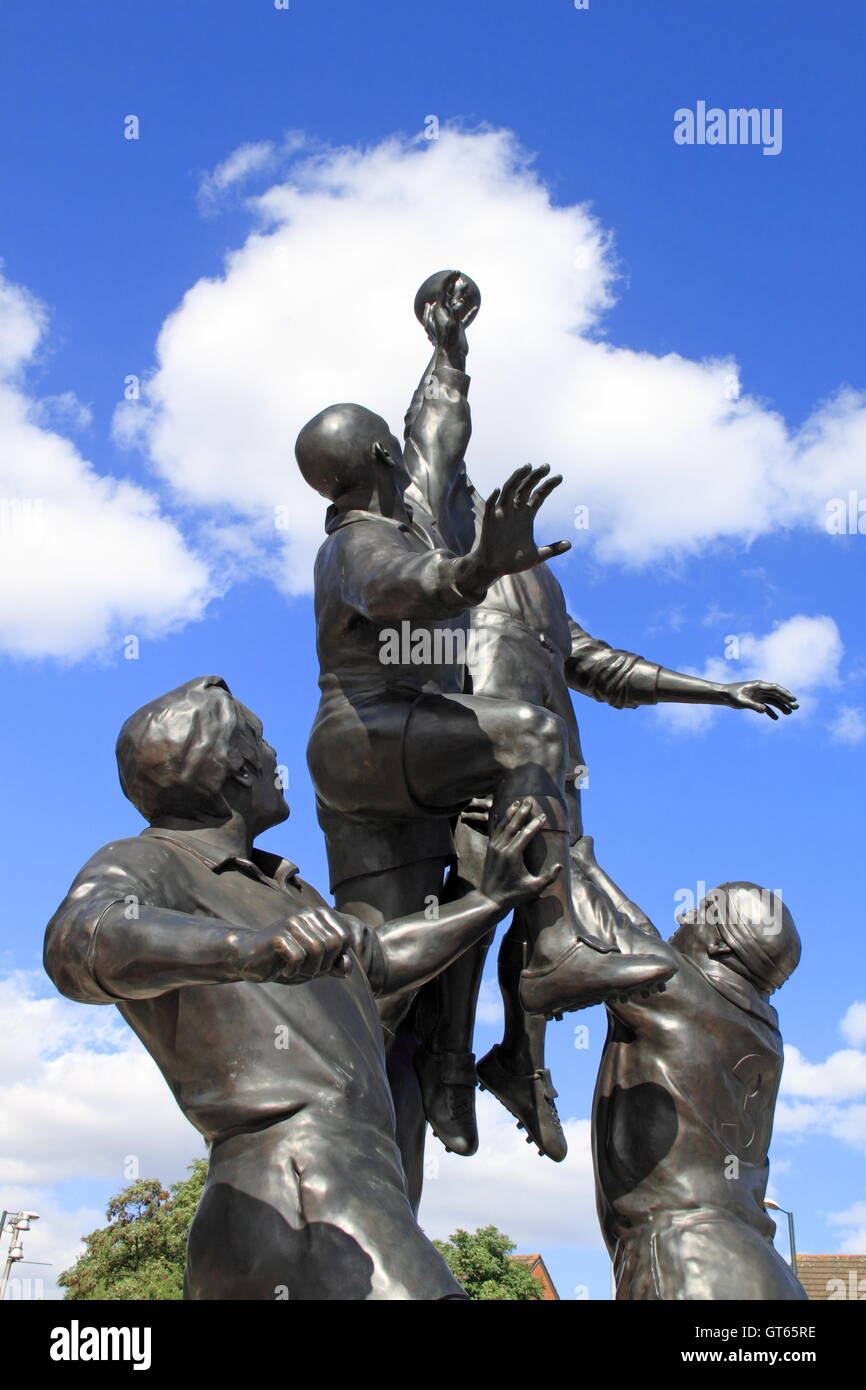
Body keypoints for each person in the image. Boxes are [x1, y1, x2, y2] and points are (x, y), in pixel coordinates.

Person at [400, 268, 800, 1166]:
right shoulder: (435, 542)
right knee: (481, 896)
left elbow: (603, 667)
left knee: (554, 915)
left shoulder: (536, 578)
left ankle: (516, 1061)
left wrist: (718, 690)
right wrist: (449, 355)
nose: (470, 492)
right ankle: (453, 1070)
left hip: (553, 768)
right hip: (478, 747)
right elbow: (432, 441)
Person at [43, 675, 560, 1301]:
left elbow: (379, 957)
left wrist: (488, 901)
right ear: (235, 767)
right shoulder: (154, 860)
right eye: (260, 742)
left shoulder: (286, 892)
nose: (272, 758)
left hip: (328, 1194)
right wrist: (245, 949)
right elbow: (79, 939)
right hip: (303, 1189)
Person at [569, 834, 806, 1300]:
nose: (682, 917)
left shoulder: (674, 993)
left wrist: (553, 847)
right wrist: (590, 867)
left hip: (690, 1264)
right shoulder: (761, 1031)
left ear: (718, 942)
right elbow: (646, 944)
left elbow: (608, 940)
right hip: (770, 1272)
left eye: (696, 914)